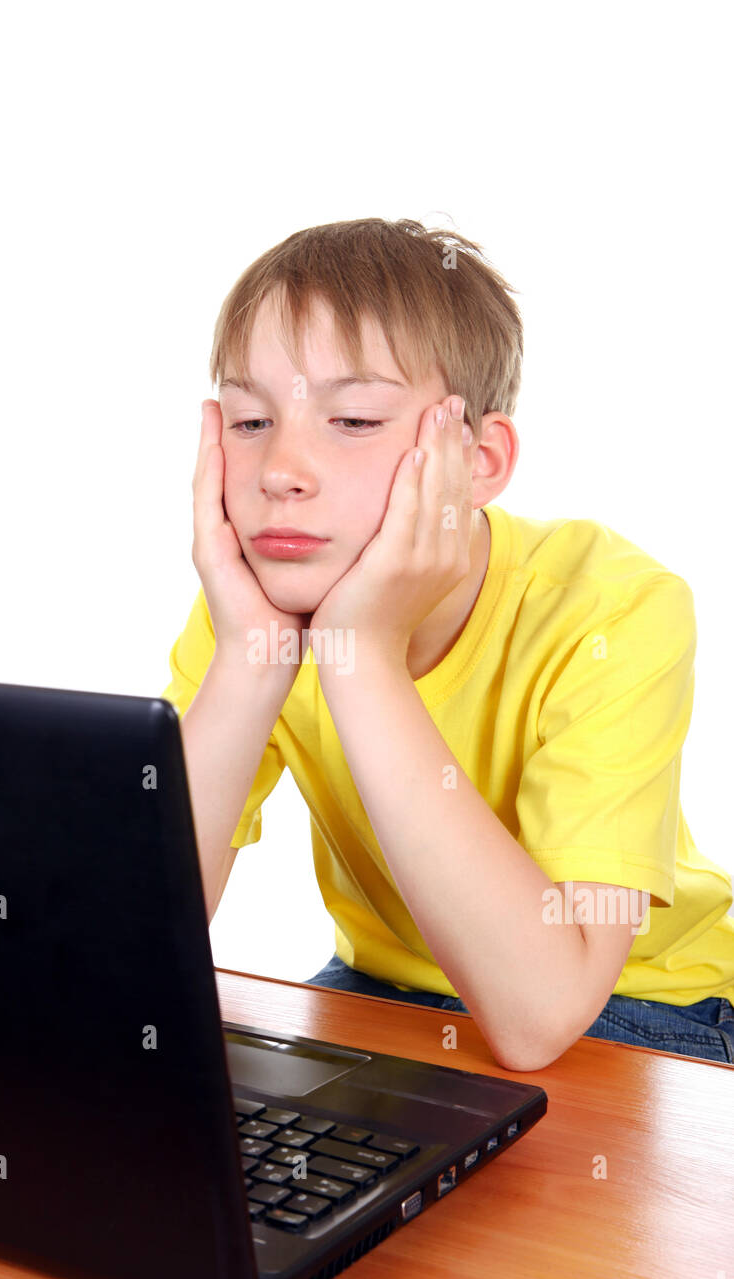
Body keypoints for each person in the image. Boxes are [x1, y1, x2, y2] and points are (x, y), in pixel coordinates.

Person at [161, 217, 734, 1069]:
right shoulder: (258, 608)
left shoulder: (615, 609)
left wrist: (363, 653)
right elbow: (132, 938)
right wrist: (251, 660)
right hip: (384, 990)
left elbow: (541, 1015)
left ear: (479, 460)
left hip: (641, 1006)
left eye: (352, 420)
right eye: (249, 422)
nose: (281, 469)